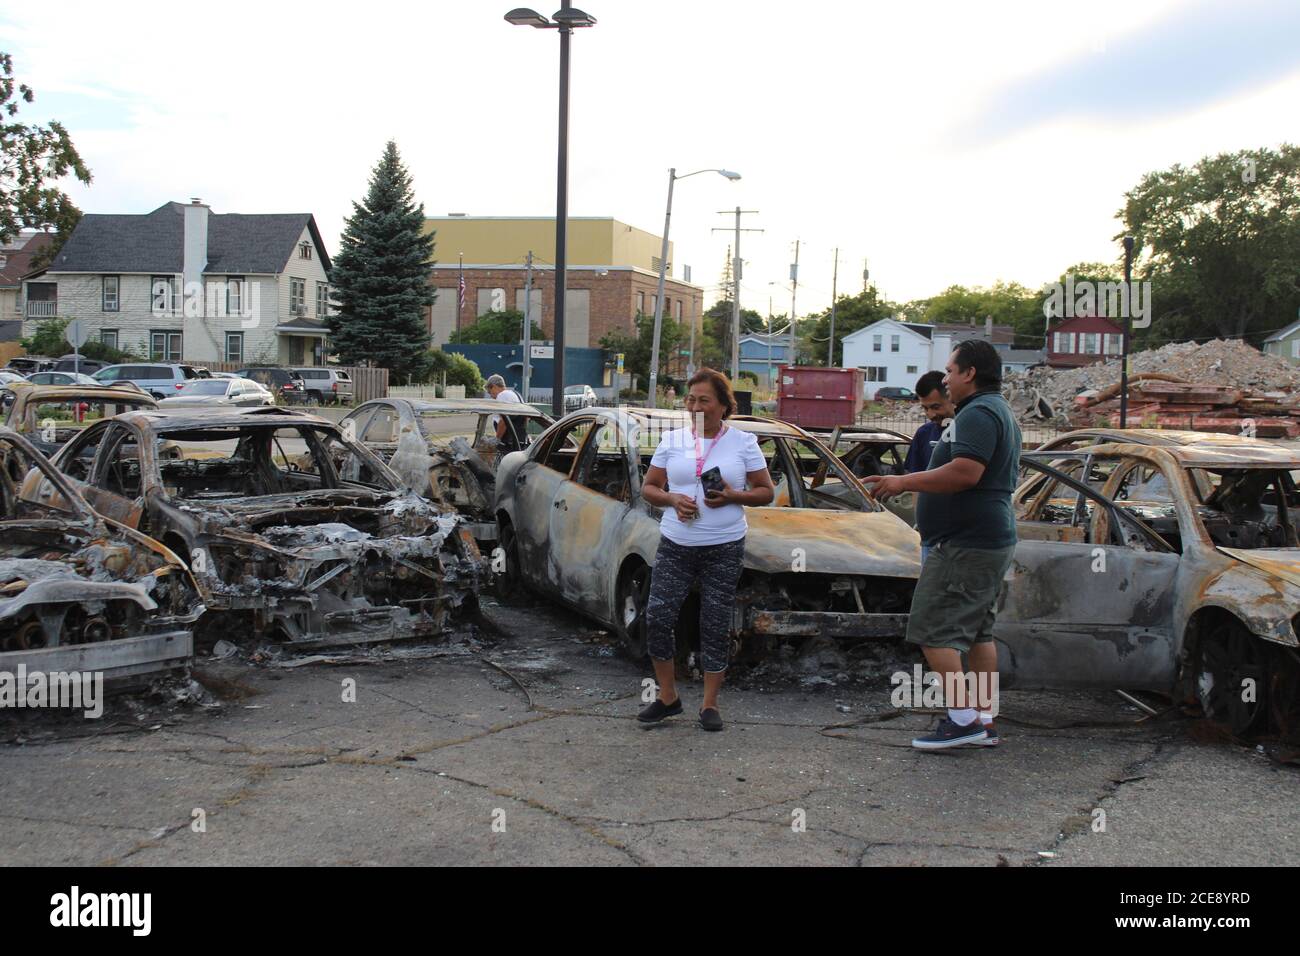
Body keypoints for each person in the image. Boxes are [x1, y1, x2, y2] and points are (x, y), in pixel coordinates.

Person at [864, 340, 1021, 751]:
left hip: (965, 544)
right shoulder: (990, 410)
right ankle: (984, 720)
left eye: (950, 371)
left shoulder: (979, 413)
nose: (945, 379)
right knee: (978, 633)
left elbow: (966, 473)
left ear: (969, 373)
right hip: (981, 541)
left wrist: (902, 481)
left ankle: (964, 719)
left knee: (932, 630)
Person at [637, 368, 775, 731]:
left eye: (704, 400)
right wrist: (671, 499)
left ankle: (710, 705)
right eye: (690, 399)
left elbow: (766, 492)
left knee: (713, 623)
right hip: (676, 543)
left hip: (724, 546)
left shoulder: (743, 443)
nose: (696, 406)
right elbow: (649, 487)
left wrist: (733, 495)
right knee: (658, 617)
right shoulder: (673, 440)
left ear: (723, 405)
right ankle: (667, 697)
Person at [904, 370, 955, 474]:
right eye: (925, 408)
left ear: (951, 399)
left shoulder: (968, 430)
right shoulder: (923, 433)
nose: (931, 415)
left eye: (936, 407)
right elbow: (913, 478)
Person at [486, 374, 524, 453]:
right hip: (518, 441)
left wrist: (497, 440)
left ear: (494, 386)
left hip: (508, 443)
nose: (491, 396)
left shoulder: (502, 395)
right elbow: (526, 418)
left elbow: (504, 421)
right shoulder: (516, 394)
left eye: (490, 392)